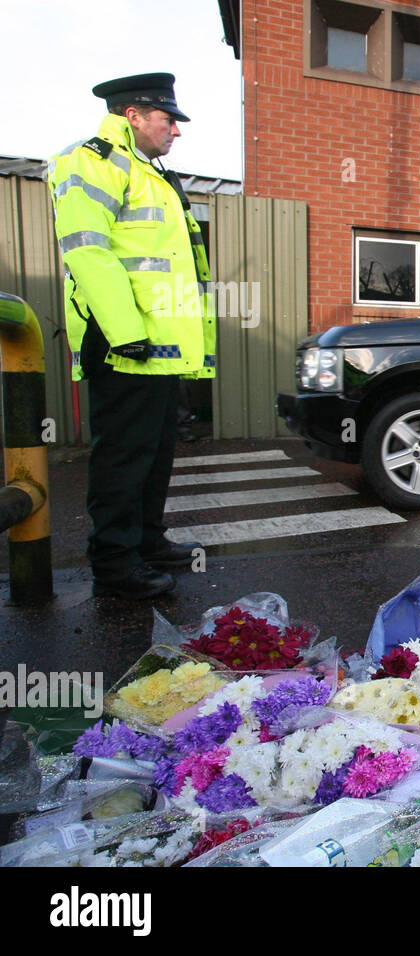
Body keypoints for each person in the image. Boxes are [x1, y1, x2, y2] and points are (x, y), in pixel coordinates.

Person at [48, 74, 215, 599]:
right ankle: (116, 566)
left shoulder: (151, 173)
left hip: (159, 350)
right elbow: (87, 251)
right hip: (123, 345)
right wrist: (124, 332)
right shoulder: (93, 160)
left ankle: (145, 541)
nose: (176, 132)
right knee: (122, 458)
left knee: (154, 453)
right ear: (134, 114)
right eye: (169, 120)